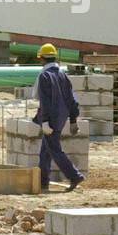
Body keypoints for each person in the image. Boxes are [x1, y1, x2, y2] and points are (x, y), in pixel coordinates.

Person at [34, 43, 85, 192]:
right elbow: (71, 99)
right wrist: (73, 120)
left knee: (55, 150)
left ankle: (74, 175)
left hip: (51, 119)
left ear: (42, 59)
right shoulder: (63, 75)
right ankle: (43, 182)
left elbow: (45, 102)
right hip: (61, 117)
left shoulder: (44, 76)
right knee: (45, 151)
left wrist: (44, 121)